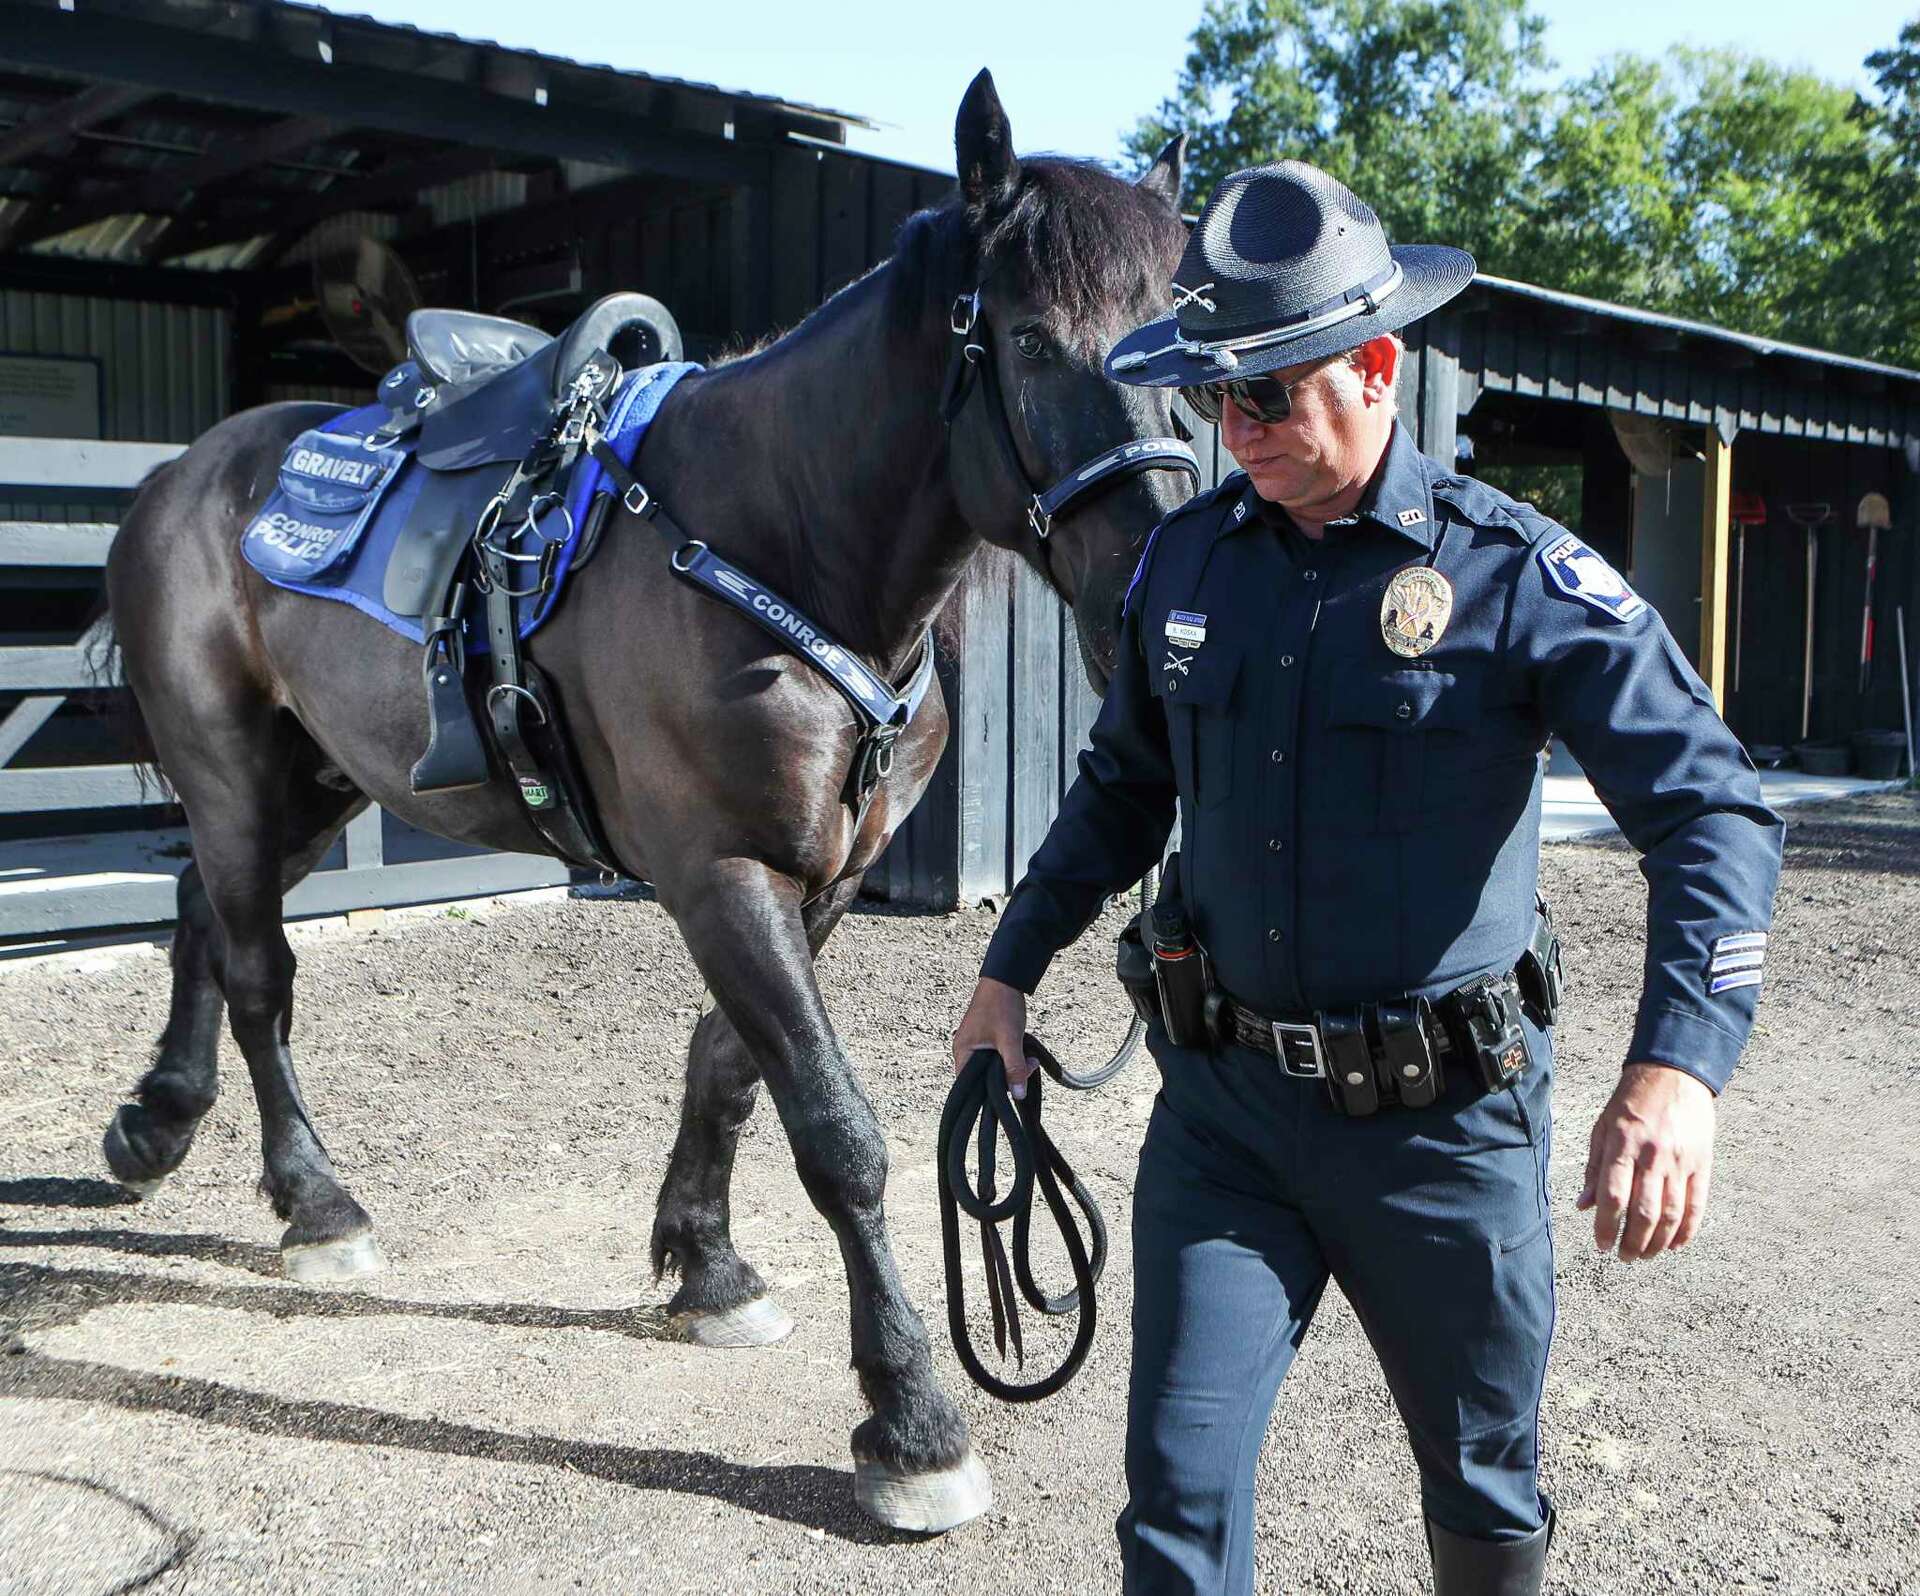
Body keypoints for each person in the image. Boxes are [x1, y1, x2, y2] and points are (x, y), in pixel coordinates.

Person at [949, 161, 1785, 1596]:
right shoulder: (1188, 567)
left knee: (1481, 1492)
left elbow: (1714, 812)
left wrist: (1680, 1072)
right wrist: (1002, 975)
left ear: (1381, 368)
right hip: (1226, 1127)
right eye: (1220, 397)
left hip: (1443, 1142)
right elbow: (1120, 792)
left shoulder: (1515, 576)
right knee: (1174, 1504)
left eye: (1269, 395)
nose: (1238, 430)